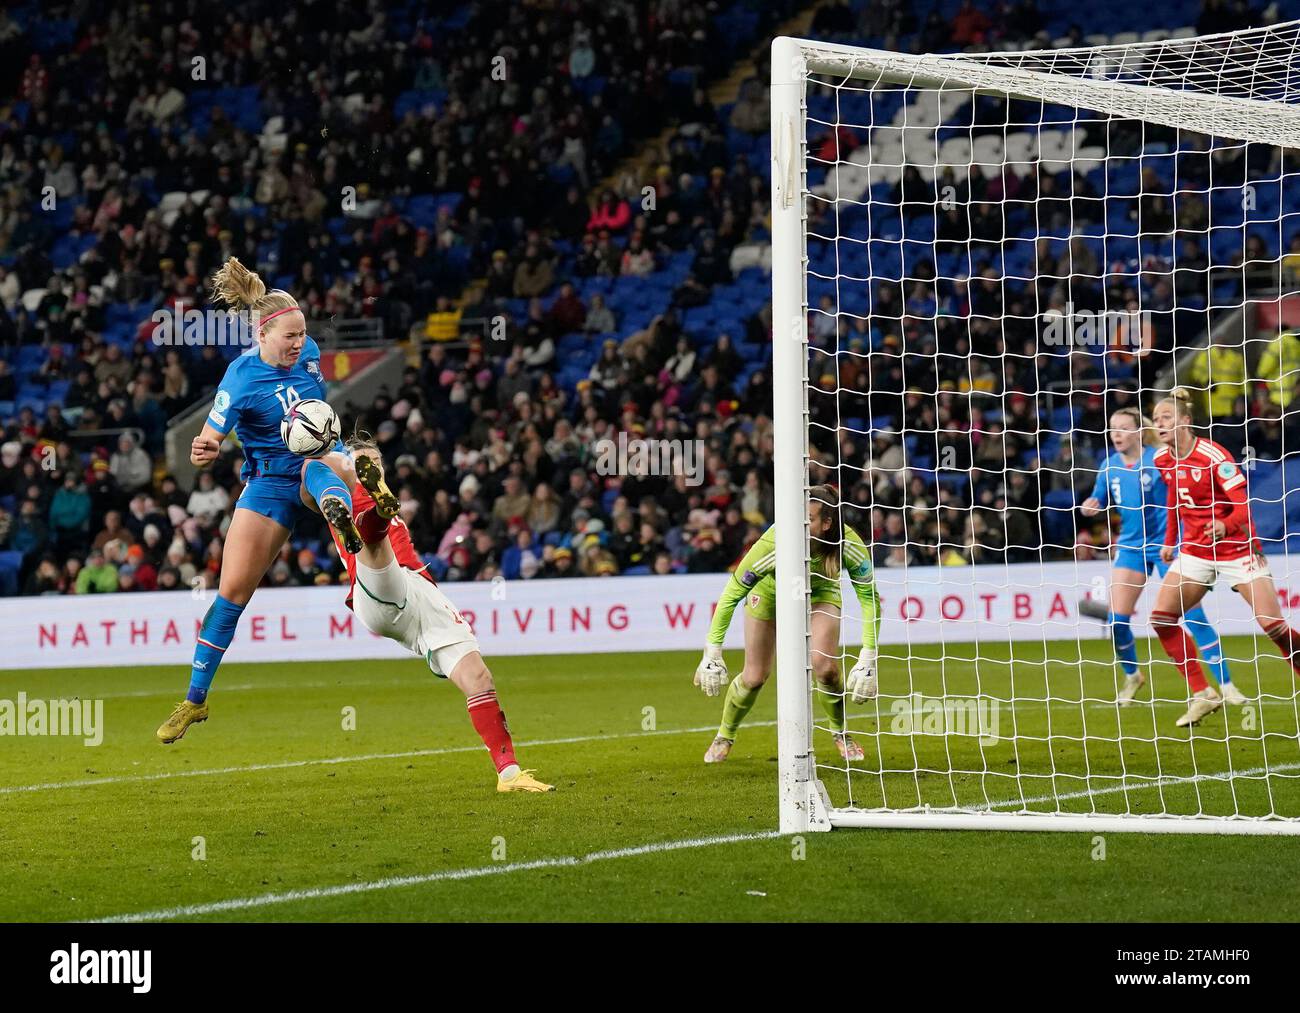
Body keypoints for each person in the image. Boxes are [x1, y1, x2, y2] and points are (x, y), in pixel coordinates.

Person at [156, 257, 361, 744]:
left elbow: (314, 401)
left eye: (302, 334)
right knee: (231, 595)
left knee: (338, 463)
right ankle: (195, 699)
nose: (299, 344)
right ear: (262, 337)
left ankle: (351, 518)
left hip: (317, 466)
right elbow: (209, 439)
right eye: (289, 336)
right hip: (268, 483)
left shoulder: (307, 352)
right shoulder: (239, 379)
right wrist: (205, 449)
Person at [334, 438, 553, 792]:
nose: (370, 466)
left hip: (424, 595)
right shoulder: (337, 490)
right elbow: (309, 478)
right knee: (372, 542)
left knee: (479, 678)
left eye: (374, 462)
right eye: (361, 464)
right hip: (379, 587)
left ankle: (509, 773)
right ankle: (374, 517)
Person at [693, 484, 881, 764]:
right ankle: (725, 733)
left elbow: (869, 598)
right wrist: (712, 650)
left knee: (825, 667)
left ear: (827, 523)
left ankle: (840, 733)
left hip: (820, 594)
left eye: (809, 519)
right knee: (754, 677)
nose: (800, 523)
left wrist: (868, 657)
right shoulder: (775, 541)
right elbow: (732, 593)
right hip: (769, 596)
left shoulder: (849, 544)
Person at [1148, 389, 1300, 727]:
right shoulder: (1162, 459)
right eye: (1157, 420)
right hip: (1196, 552)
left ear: (1185, 422)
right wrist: (1170, 540)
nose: (1160, 425)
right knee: (1161, 618)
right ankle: (1204, 694)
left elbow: (1244, 506)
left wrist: (1224, 523)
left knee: (1273, 626)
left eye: (1166, 418)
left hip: (1237, 550)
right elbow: (1175, 497)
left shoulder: (1214, 456)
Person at [1079, 407, 1238, 704]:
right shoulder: (1109, 466)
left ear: (1139, 431)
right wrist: (1092, 505)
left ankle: (1225, 685)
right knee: (1117, 621)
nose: (1116, 434)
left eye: (1123, 428)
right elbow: (1099, 498)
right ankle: (1132, 676)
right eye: (1113, 428)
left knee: (1193, 616)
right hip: (1130, 547)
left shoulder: (1160, 457)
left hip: (1168, 545)